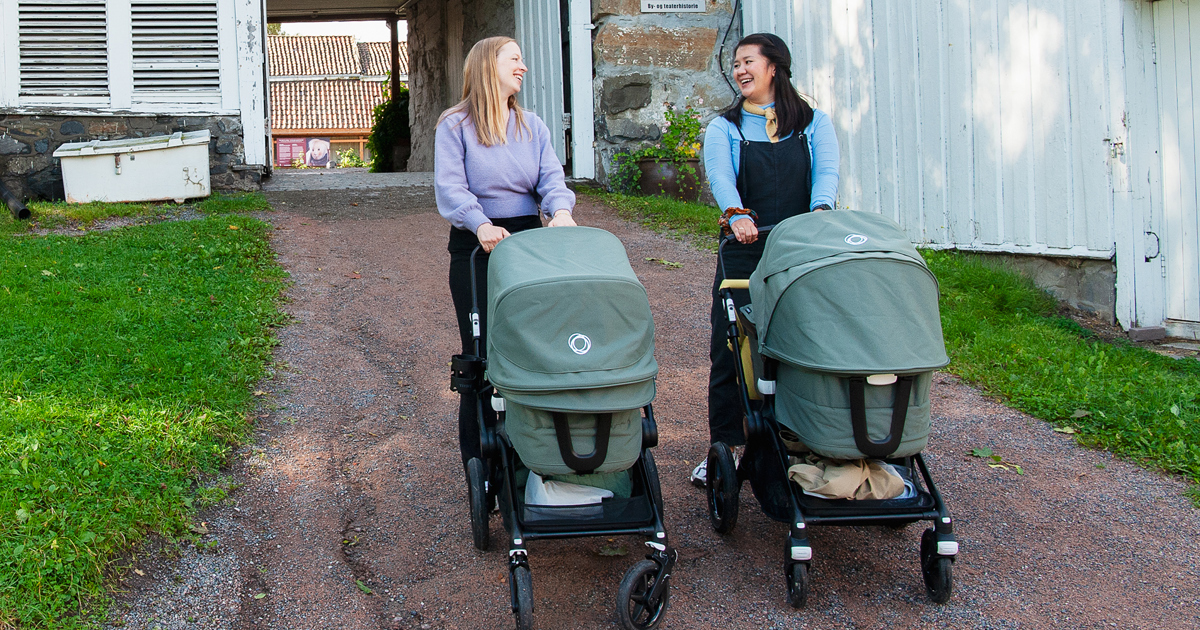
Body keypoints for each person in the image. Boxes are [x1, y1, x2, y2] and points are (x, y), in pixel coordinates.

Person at [691, 33, 840, 486]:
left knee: (803, 344)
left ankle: (801, 440)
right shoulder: (727, 127)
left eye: (747, 61)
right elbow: (720, 175)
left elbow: (826, 173)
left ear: (774, 67)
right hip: (745, 246)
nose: (739, 70)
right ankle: (725, 447)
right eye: (735, 64)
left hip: (797, 249)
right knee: (731, 347)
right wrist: (736, 215)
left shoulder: (812, 122)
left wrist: (820, 213)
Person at [436, 36, 577, 471]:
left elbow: (552, 178)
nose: (523, 67)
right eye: (515, 59)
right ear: (487, 65)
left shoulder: (532, 125)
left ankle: (531, 453)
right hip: (476, 243)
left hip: (526, 241)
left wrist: (562, 211)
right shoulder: (455, 125)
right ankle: (480, 461)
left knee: (534, 349)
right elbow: (451, 186)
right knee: (479, 353)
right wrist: (479, 223)